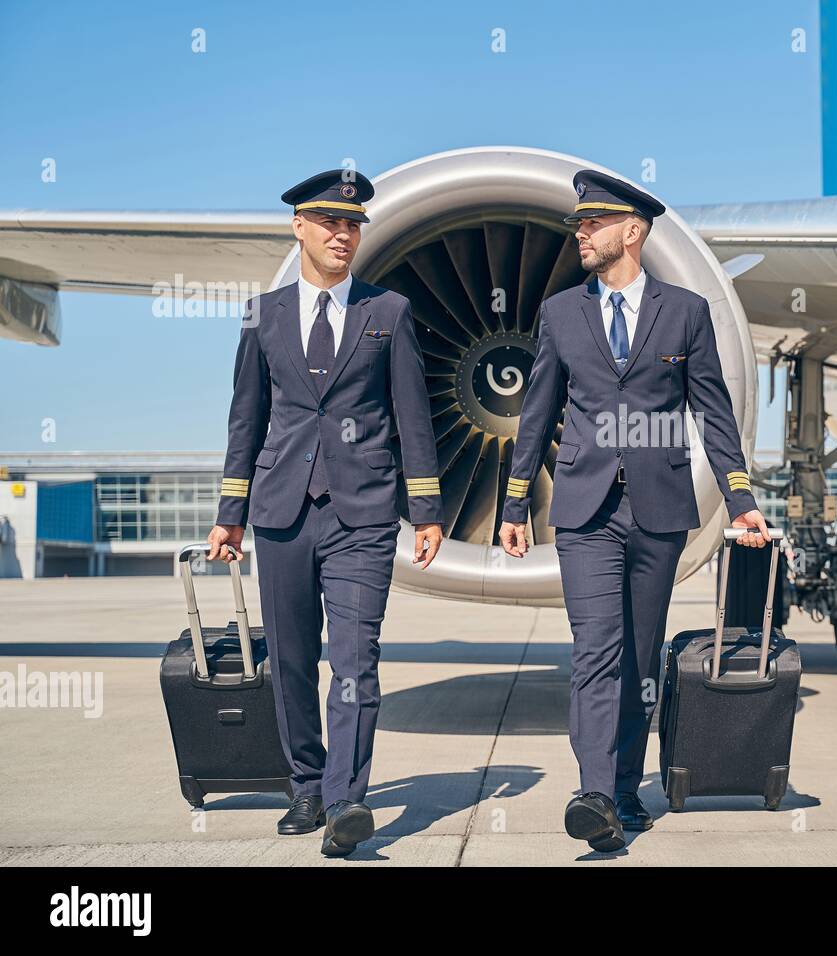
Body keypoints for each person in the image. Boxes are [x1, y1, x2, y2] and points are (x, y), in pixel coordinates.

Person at [497, 169, 769, 852]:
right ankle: (592, 791)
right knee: (596, 649)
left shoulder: (685, 312)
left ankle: (622, 788)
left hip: (659, 510)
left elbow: (714, 412)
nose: (580, 231)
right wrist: (516, 498)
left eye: (592, 222)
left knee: (641, 657)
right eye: (579, 223)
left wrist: (740, 502)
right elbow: (536, 414)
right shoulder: (561, 314)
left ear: (633, 230)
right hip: (586, 509)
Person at [206, 169, 445, 857]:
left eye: (353, 224)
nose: (344, 234)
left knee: (354, 661)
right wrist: (232, 512)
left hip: (362, 515)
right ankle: (306, 783)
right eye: (330, 223)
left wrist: (424, 508)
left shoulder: (388, 312)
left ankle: (346, 799)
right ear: (300, 228)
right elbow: (244, 420)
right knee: (289, 661)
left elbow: (413, 417)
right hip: (282, 511)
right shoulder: (264, 315)